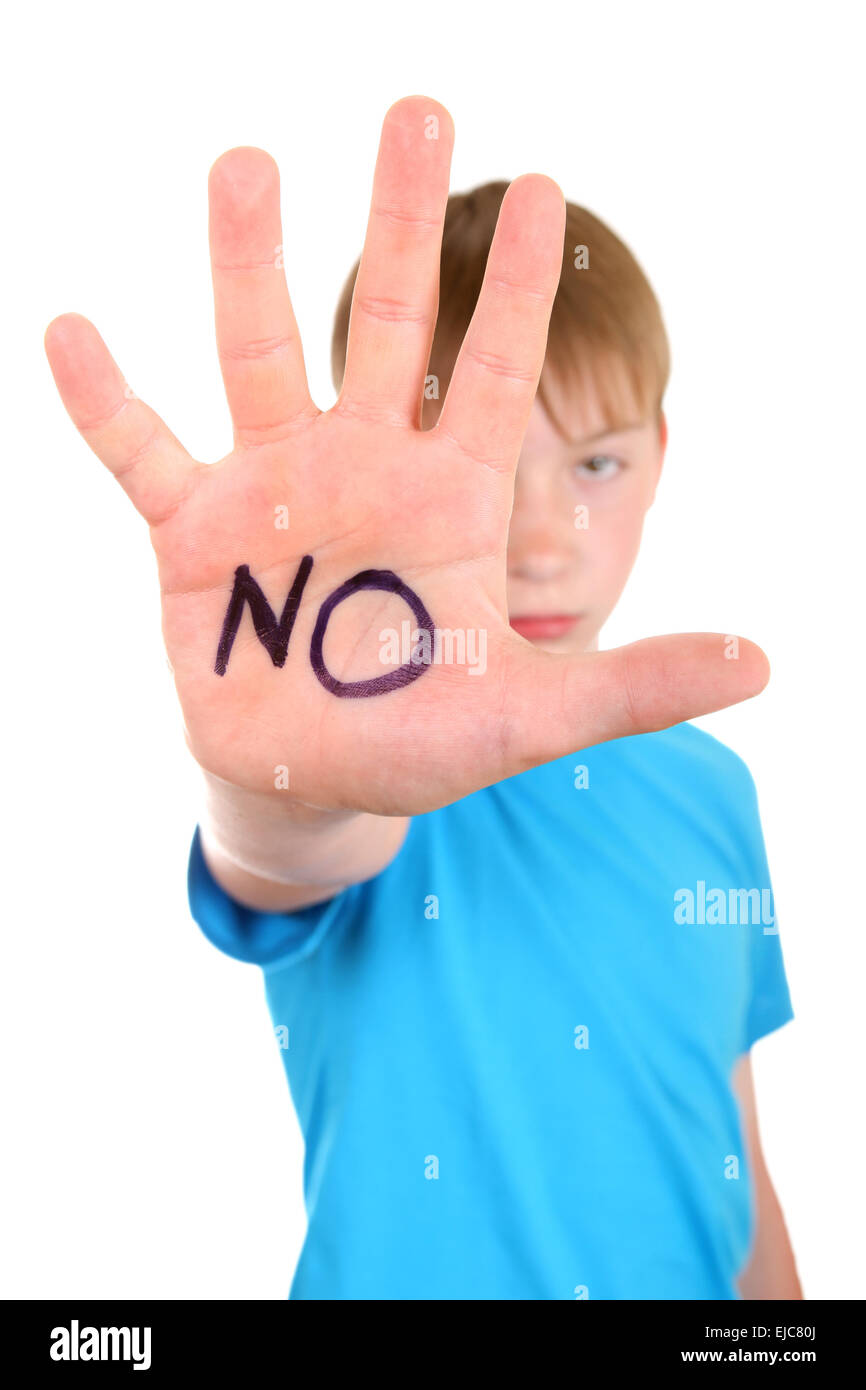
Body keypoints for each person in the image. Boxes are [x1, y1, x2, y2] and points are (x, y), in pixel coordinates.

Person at [43, 94, 801, 1300]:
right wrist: (279, 786)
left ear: (660, 455)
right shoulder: (371, 774)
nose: (543, 536)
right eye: (493, 476)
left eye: (595, 462)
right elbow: (288, 852)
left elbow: (735, 1149)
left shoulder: (715, 791)